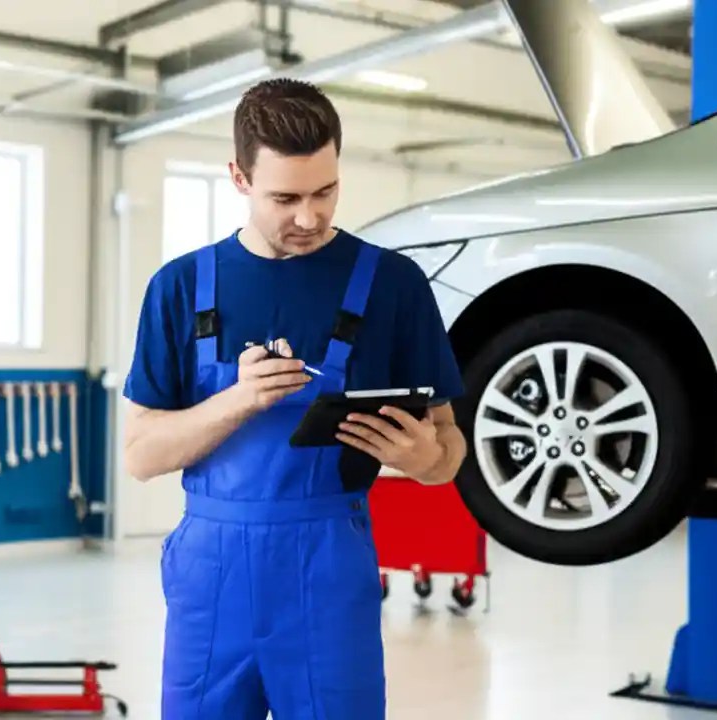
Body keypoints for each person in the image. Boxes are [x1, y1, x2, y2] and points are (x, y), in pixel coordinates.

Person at [122, 78, 467, 720]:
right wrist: (238, 400)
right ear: (239, 177)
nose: (309, 217)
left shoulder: (393, 285)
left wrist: (426, 459)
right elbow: (141, 456)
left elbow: (449, 450)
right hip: (210, 579)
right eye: (286, 197)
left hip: (328, 573)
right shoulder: (180, 288)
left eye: (326, 192)